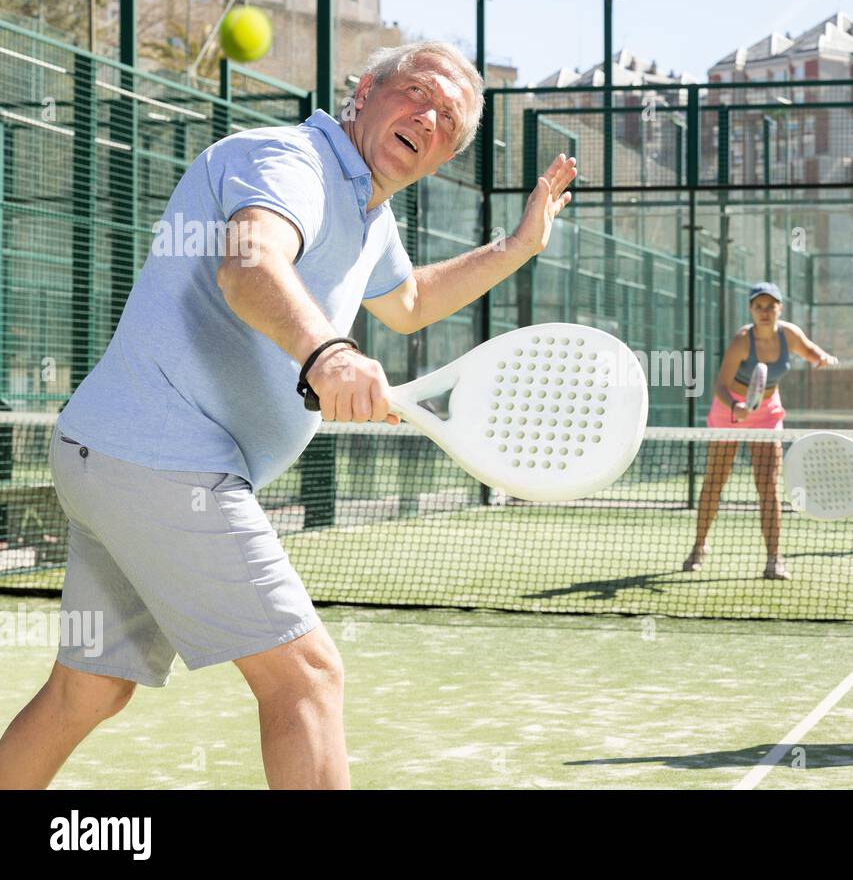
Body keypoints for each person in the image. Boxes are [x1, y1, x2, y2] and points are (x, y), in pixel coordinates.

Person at [0, 41, 579, 789]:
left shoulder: (368, 212)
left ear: (444, 156)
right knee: (306, 676)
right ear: (365, 91)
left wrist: (518, 245)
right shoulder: (293, 161)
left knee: (90, 689)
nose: (428, 118)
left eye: (449, 121)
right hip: (163, 460)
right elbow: (248, 262)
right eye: (416, 94)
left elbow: (407, 305)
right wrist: (329, 355)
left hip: (105, 452)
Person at [683, 282, 837, 580]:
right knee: (715, 481)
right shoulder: (742, 340)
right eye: (759, 307)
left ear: (780, 308)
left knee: (767, 485)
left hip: (767, 412)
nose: (765, 312)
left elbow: (808, 349)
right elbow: (721, 385)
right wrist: (737, 407)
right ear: (751, 310)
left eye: (771, 306)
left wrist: (822, 357)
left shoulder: (788, 333)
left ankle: (774, 560)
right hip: (730, 411)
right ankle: (698, 546)